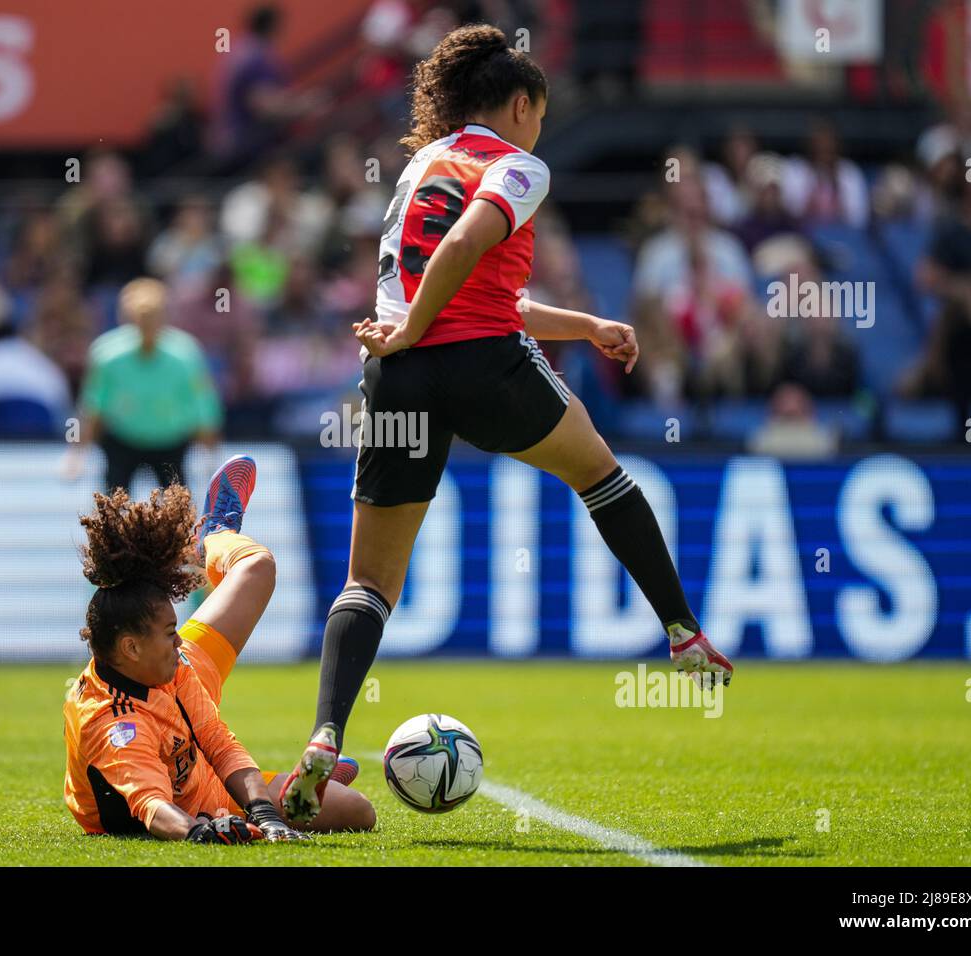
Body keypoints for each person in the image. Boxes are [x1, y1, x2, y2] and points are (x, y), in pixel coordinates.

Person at [280, 25, 733, 824]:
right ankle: (682, 630)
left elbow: (472, 278)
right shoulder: (519, 167)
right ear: (521, 104)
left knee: (368, 584)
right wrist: (422, 325)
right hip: (483, 364)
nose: (539, 132)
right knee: (600, 473)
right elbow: (467, 249)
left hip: (398, 375)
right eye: (540, 116)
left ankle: (324, 737)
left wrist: (586, 325)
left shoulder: (420, 164)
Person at [63, 455, 374, 841]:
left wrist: (266, 816)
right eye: (170, 632)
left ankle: (215, 533)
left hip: (205, 768)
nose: (181, 641)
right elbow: (153, 807)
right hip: (198, 804)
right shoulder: (114, 725)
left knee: (257, 566)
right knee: (358, 811)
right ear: (131, 647)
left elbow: (219, 743)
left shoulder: (172, 664)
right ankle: (300, 781)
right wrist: (201, 832)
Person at [63, 278, 222, 492]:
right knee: (113, 514)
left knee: (177, 514)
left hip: (171, 444)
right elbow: (92, 408)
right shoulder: (107, 354)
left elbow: (204, 410)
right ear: (126, 317)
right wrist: (75, 456)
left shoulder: (185, 355)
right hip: (122, 442)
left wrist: (211, 455)